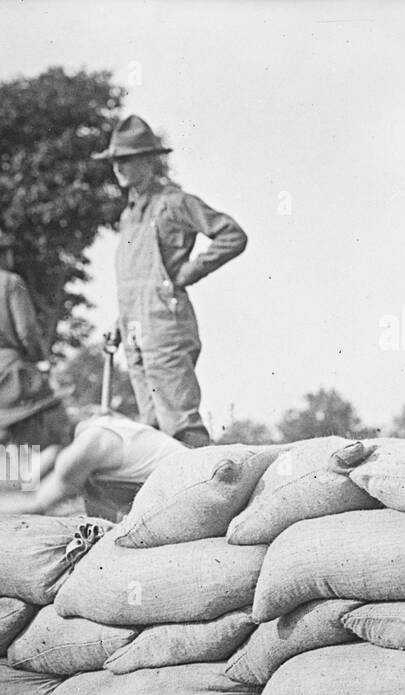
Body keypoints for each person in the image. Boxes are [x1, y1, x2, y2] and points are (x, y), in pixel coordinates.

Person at [95, 116, 247, 448]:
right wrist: (120, 324)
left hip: (164, 325)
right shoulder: (128, 215)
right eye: (114, 161)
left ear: (149, 160)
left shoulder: (174, 202)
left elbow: (232, 234)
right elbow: (135, 279)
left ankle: (211, 494)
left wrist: (189, 272)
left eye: (126, 159)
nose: (118, 167)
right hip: (134, 329)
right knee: (150, 430)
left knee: (180, 423)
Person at [0, 222, 69, 448]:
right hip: (9, 365)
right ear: (5, 254)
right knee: (33, 426)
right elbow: (26, 330)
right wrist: (40, 357)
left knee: (5, 427)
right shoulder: (11, 282)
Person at [0, 411, 182, 521]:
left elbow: (36, 502)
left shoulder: (83, 449)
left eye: (18, 435)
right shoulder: (92, 426)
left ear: (38, 422)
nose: (20, 445)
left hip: (185, 495)